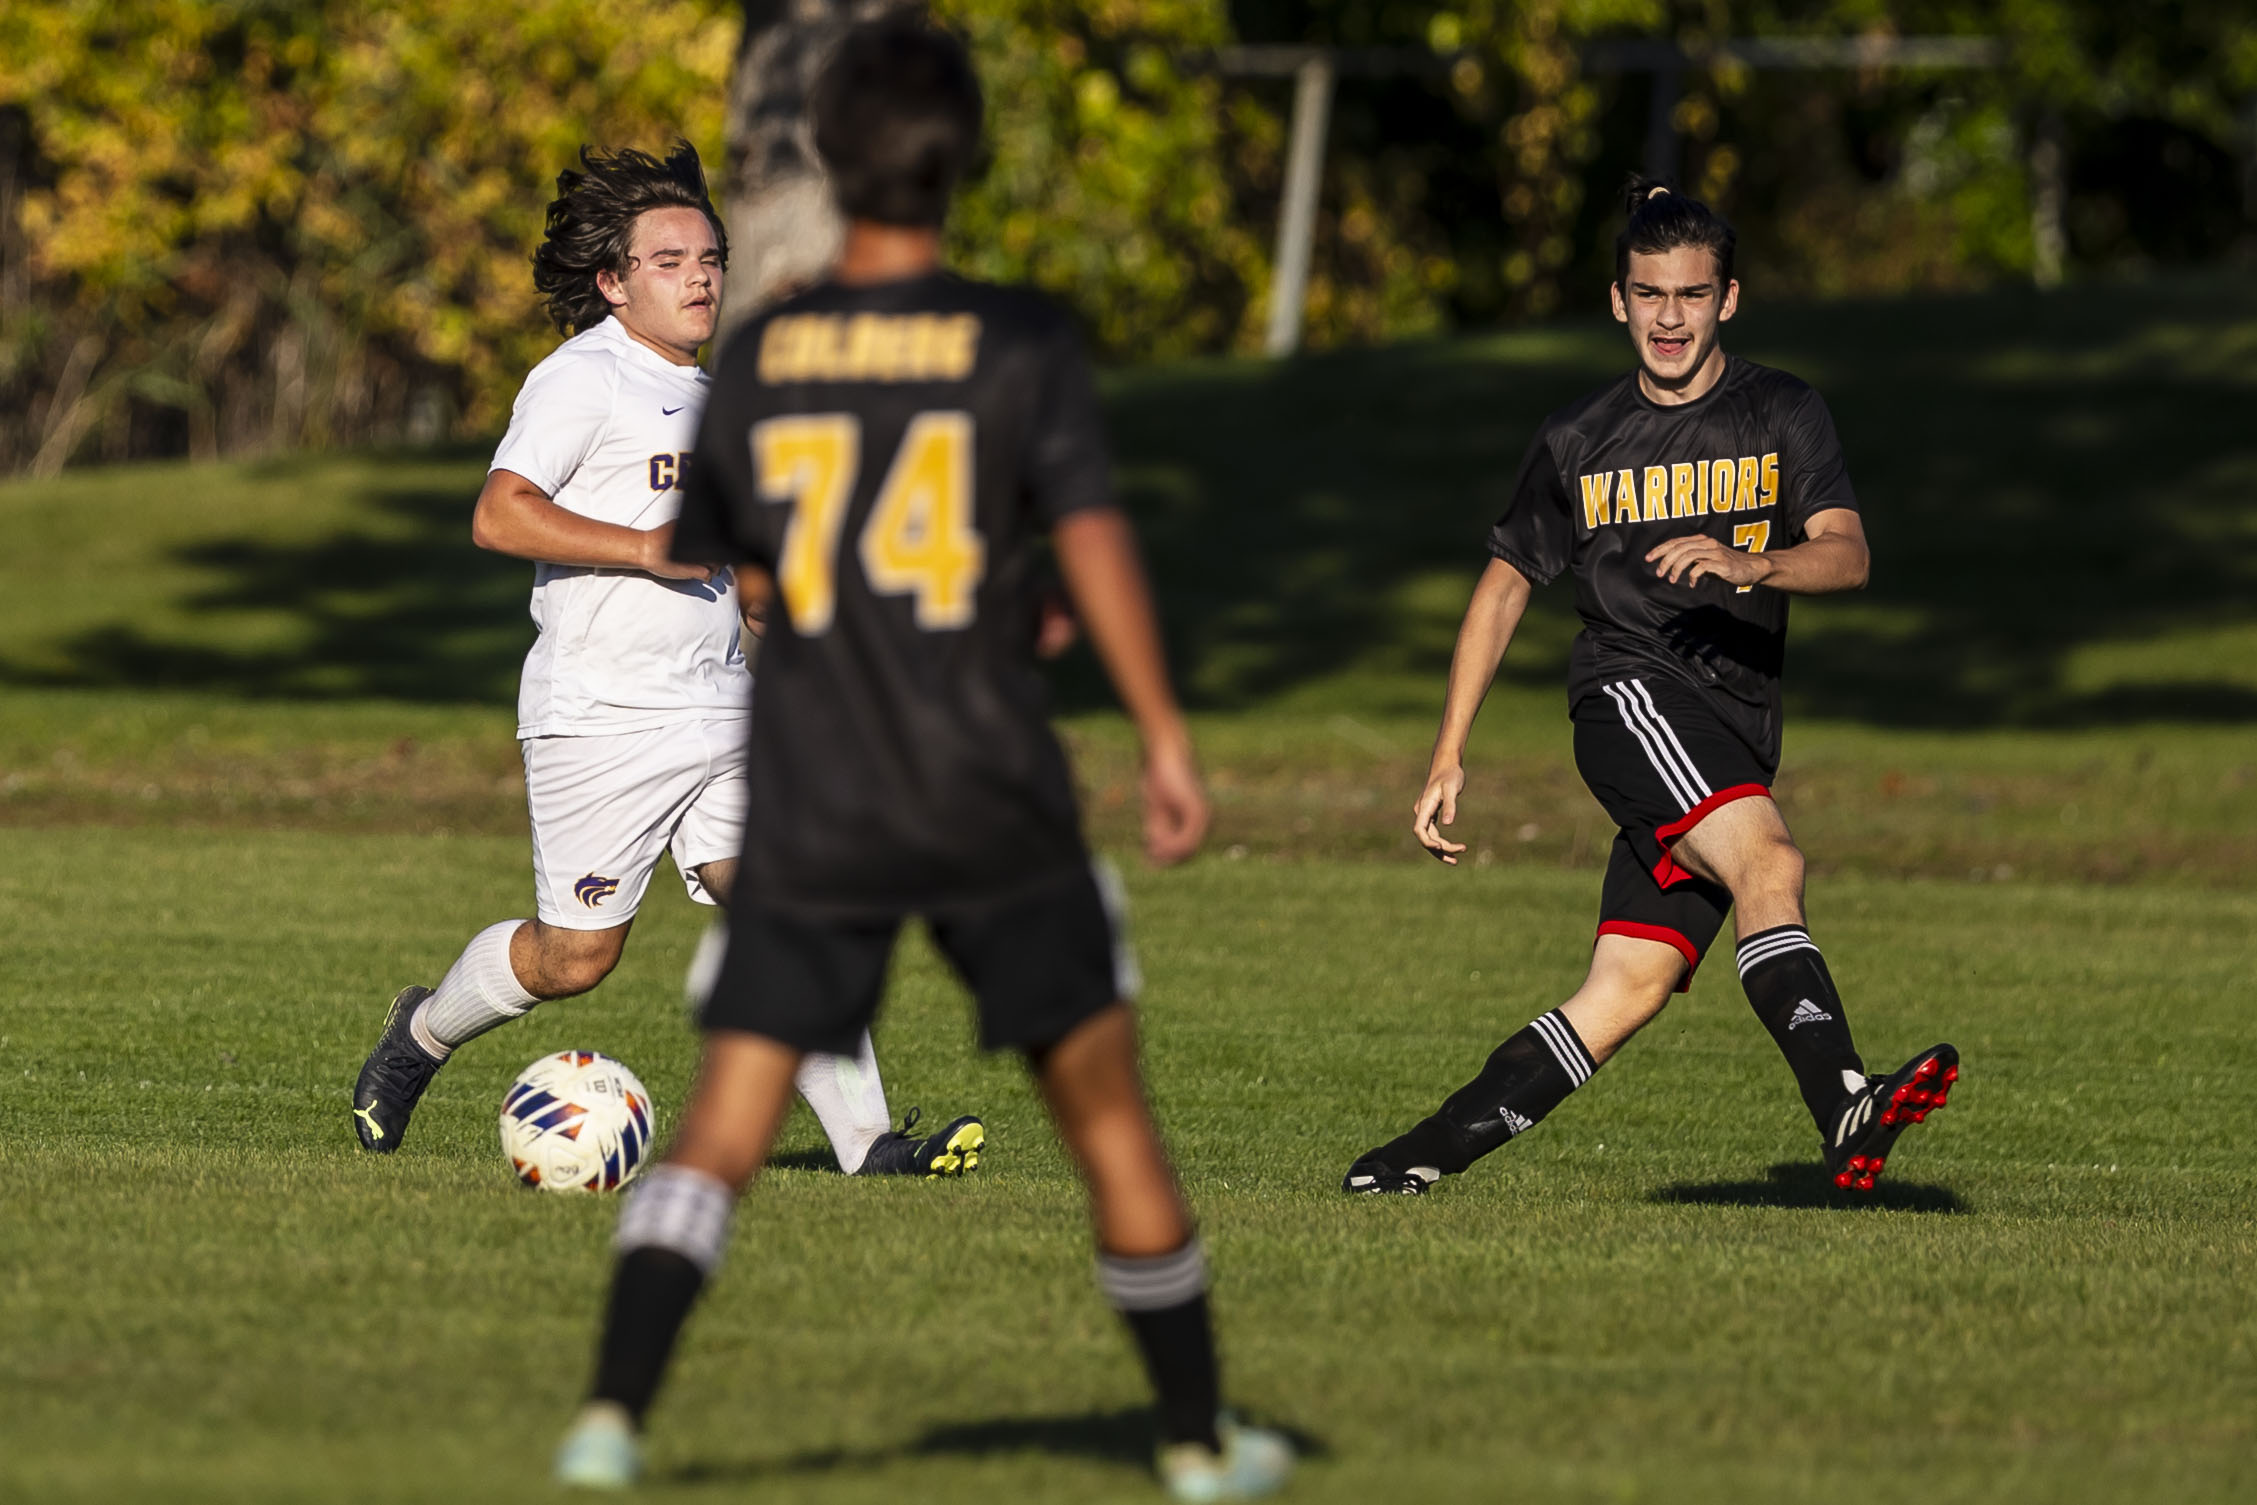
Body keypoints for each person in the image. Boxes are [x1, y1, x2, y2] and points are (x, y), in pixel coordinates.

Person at [551, 20, 1293, 1501]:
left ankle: (610, 1422)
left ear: (828, 157)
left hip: (821, 781)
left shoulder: (762, 351)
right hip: (986, 779)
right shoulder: (1017, 340)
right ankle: (1202, 1445)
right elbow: (1086, 541)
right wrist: (1159, 737)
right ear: (966, 160)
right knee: (1105, 1119)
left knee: (724, 1121)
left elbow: (723, 556)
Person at [350, 140, 982, 1182]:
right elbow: (499, 515)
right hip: (600, 712)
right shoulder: (580, 380)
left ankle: (871, 1146)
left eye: (710, 258)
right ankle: (420, 1033)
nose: (700, 277)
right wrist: (646, 546)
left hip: (719, 705)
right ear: (613, 282)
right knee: (574, 959)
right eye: (669, 260)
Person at [1343, 180, 1959, 1199]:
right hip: (1627, 695)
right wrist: (1448, 750)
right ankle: (1846, 1102)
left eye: (1690, 294)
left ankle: (1409, 1159)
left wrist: (1750, 561)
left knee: (1626, 987)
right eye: (1648, 294)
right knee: (1771, 857)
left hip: (1734, 724)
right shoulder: (1576, 438)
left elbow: (1845, 554)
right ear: (1617, 301)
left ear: (1728, 298)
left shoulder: (1783, 410)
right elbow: (1503, 588)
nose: (1669, 316)